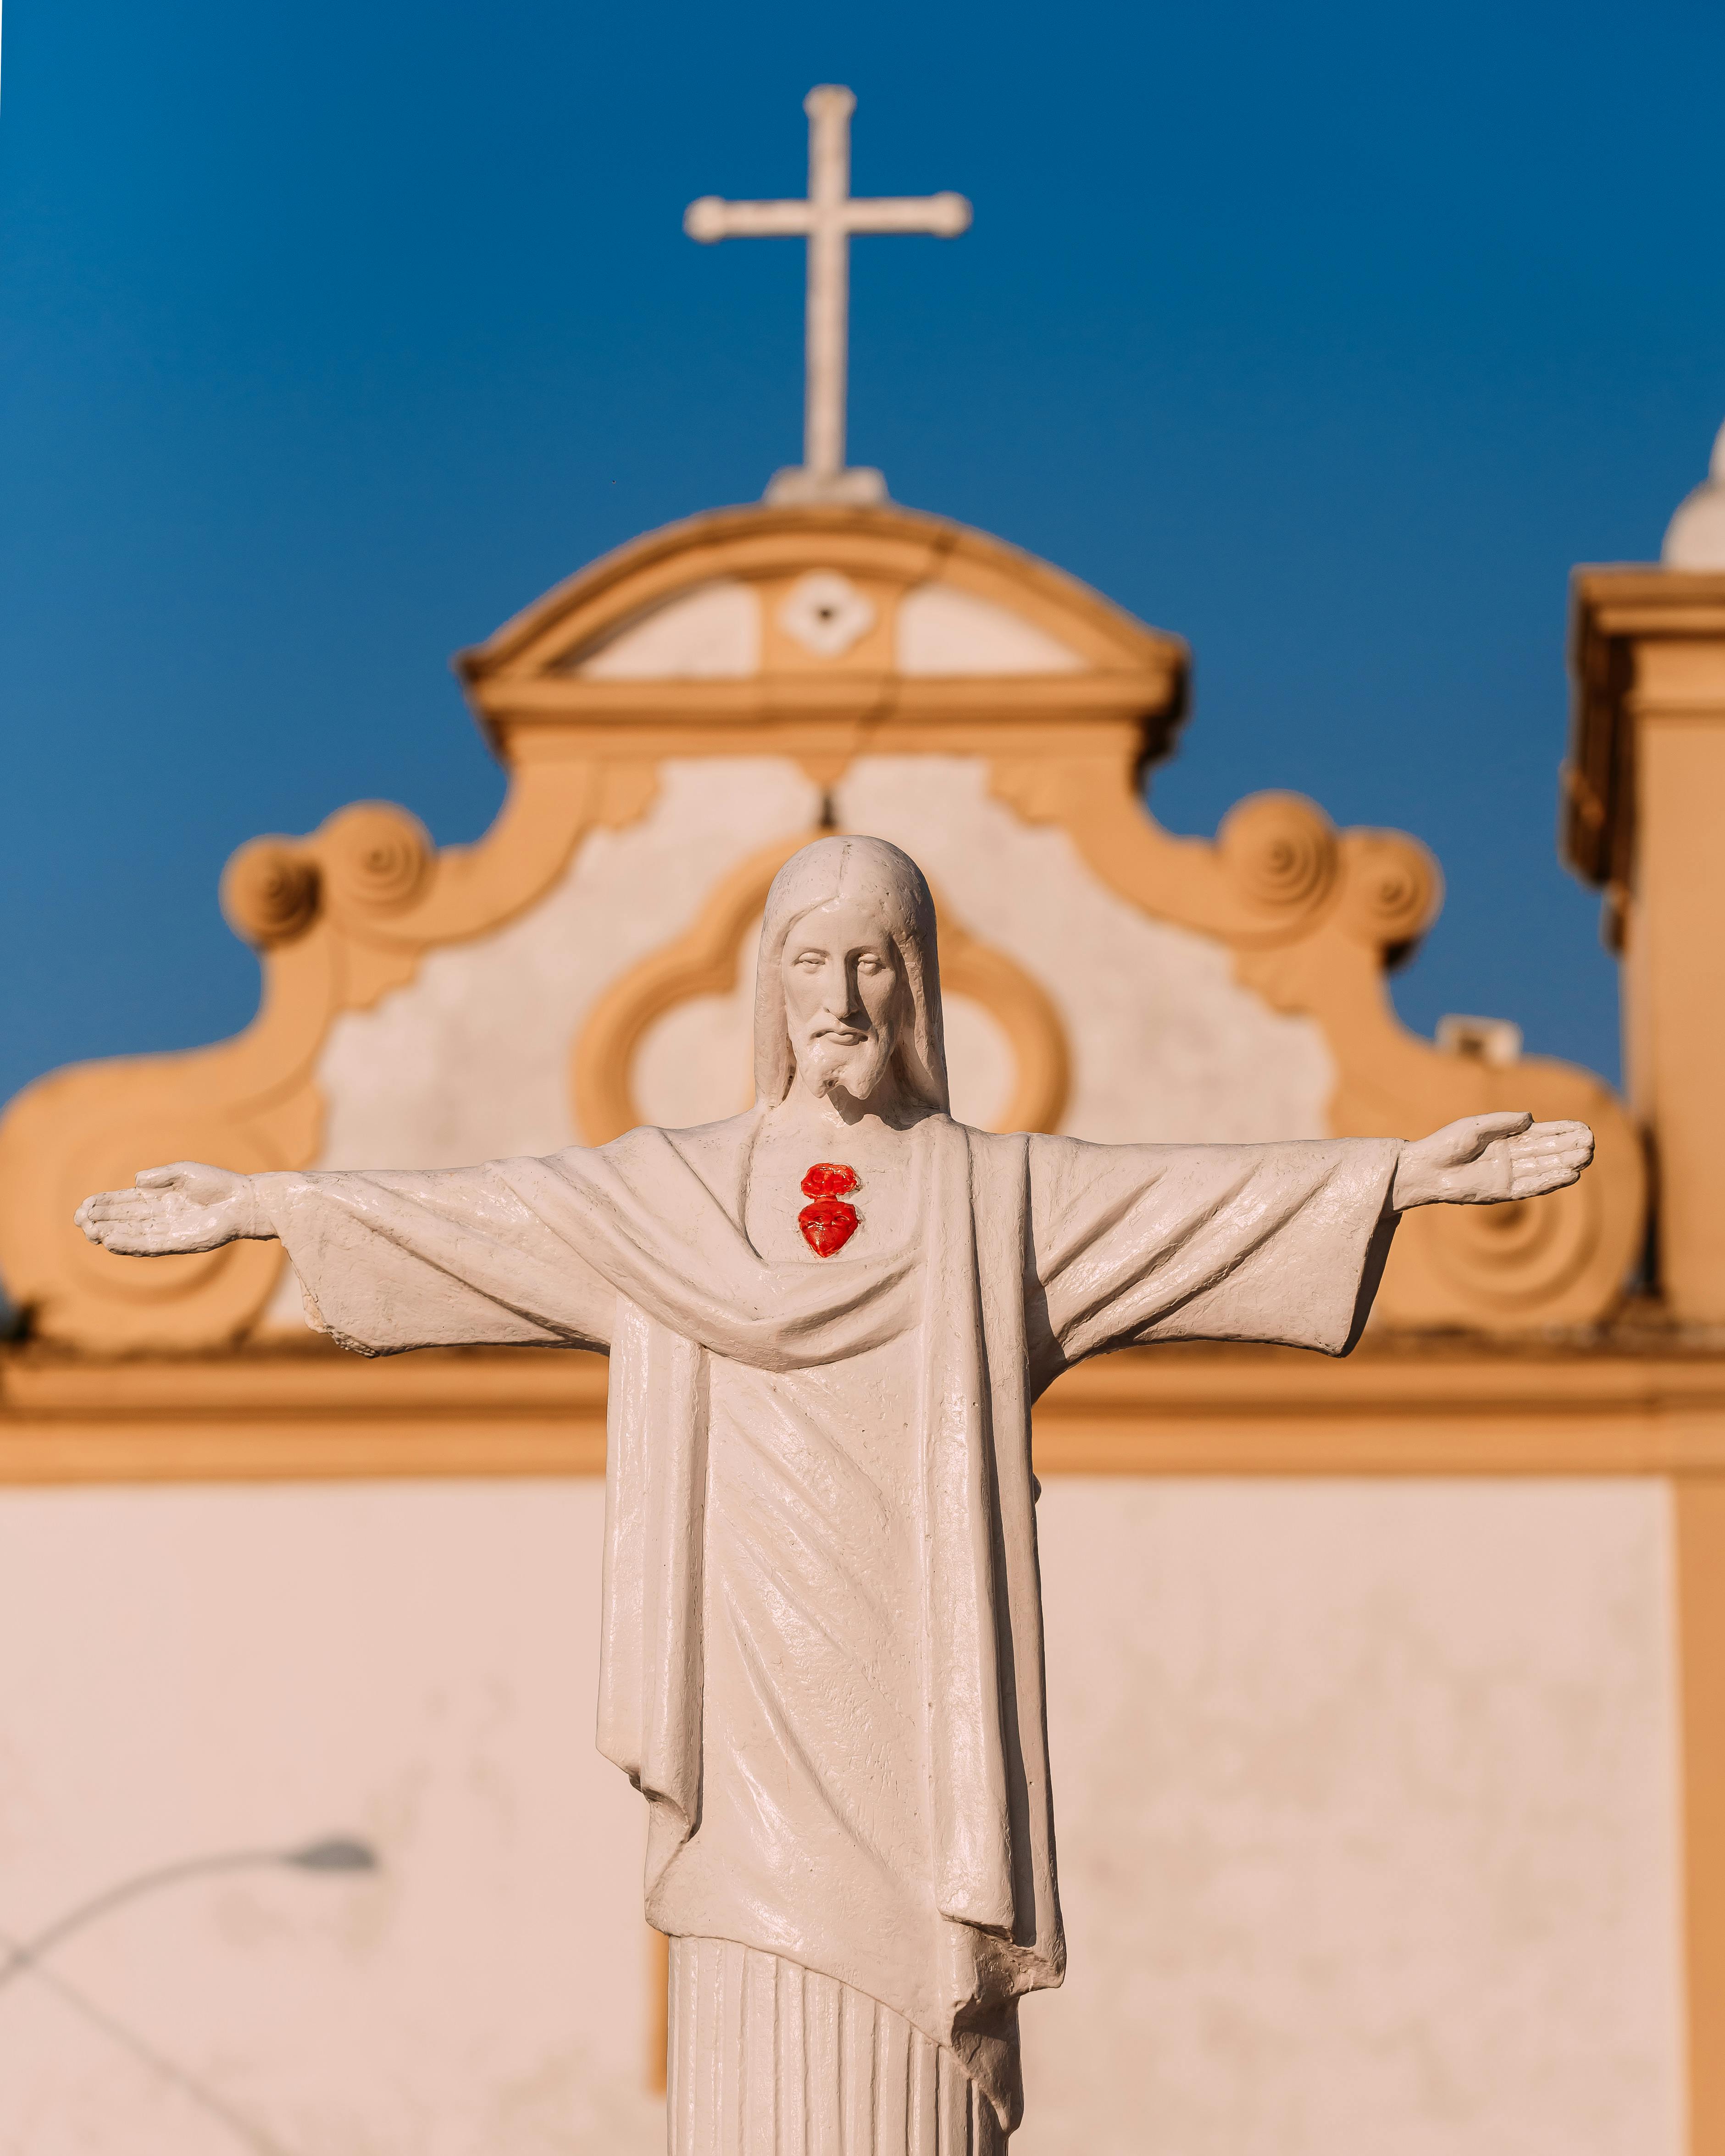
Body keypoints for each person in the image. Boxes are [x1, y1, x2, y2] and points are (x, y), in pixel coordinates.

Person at [77, 835, 1592, 2156]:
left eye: (874, 961)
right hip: (742, 1718)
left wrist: (1397, 1178)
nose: (844, 998)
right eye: (813, 960)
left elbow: (1190, 1210)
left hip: (925, 1731)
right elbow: (480, 1226)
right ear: (770, 982)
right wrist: (267, 1206)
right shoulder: (668, 1197)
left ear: (915, 984)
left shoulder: (993, 1202)